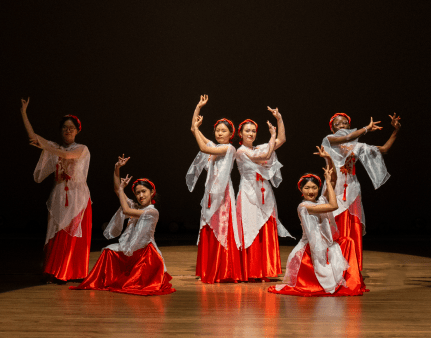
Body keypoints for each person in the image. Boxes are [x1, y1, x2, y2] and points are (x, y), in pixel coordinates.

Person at [70, 155, 175, 296]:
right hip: (133, 248)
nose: (140, 195)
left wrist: (121, 190)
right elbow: (116, 190)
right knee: (108, 251)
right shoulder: (136, 206)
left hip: (146, 254)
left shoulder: (152, 211)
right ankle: (103, 281)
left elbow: (125, 209)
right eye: (137, 193)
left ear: (152, 193)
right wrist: (117, 168)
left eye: (144, 192)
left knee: (132, 281)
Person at [321, 112, 401, 288]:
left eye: (344, 123)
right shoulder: (328, 140)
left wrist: (395, 131)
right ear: (332, 128)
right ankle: (331, 270)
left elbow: (384, 149)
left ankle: (352, 270)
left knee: (352, 229)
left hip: (352, 190)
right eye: (337, 124)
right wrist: (366, 128)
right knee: (333, 229)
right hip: (333, 188)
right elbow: (349, 137)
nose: (341, 126)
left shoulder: (357, 147)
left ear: (349, 126)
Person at [20, 97, 92, 283]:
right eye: (65, 128)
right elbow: (33, 137)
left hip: (78, 197)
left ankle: (72, 272)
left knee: (73, 236)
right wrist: (24, 114)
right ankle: (55, 271)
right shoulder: (55, 147)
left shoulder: (82, 149)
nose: (68, 130)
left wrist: (45, 146)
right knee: (57, 234)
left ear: (77, 131)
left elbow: (67, 155)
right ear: (61, 131)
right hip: (60, 195)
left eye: (71, 128)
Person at [269, 150, 354, 296]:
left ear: (318, 189)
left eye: (314, 187)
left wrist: (328, 159)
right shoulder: (304, 207)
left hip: (324, 244)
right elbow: (333, 205)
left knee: (349, 242)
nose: (311, 191)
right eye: (307, 188)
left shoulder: (320, 201)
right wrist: (327, 182)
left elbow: (333, 179)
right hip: (309, 249)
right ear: (301, 190)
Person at [186, 95, 245, 283]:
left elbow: (203, 146)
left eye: (223, 131)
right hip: (211, 193)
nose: (219, 133)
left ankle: (223, 269)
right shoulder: (215, 146)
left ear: (230, 135)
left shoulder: (229, 149)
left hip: (223, 194)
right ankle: (209, 268)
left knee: (222, 226)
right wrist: (197, 108)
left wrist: (196, 129)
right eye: (217, 130)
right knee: (209, 227)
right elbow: (193, 130)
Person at [235, 108, 293, 281]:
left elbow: (282, 139)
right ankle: (250, 270)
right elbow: (265, 155)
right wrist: (272, 136)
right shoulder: (241, 151)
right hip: (248, 193)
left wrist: (279, 119)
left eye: (253, 130)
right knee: (250, 227)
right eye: (247, 130)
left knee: (265, 228)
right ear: (240, 133)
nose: (251, 133)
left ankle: (264, 270)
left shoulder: (259, 147)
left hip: (264, 192)